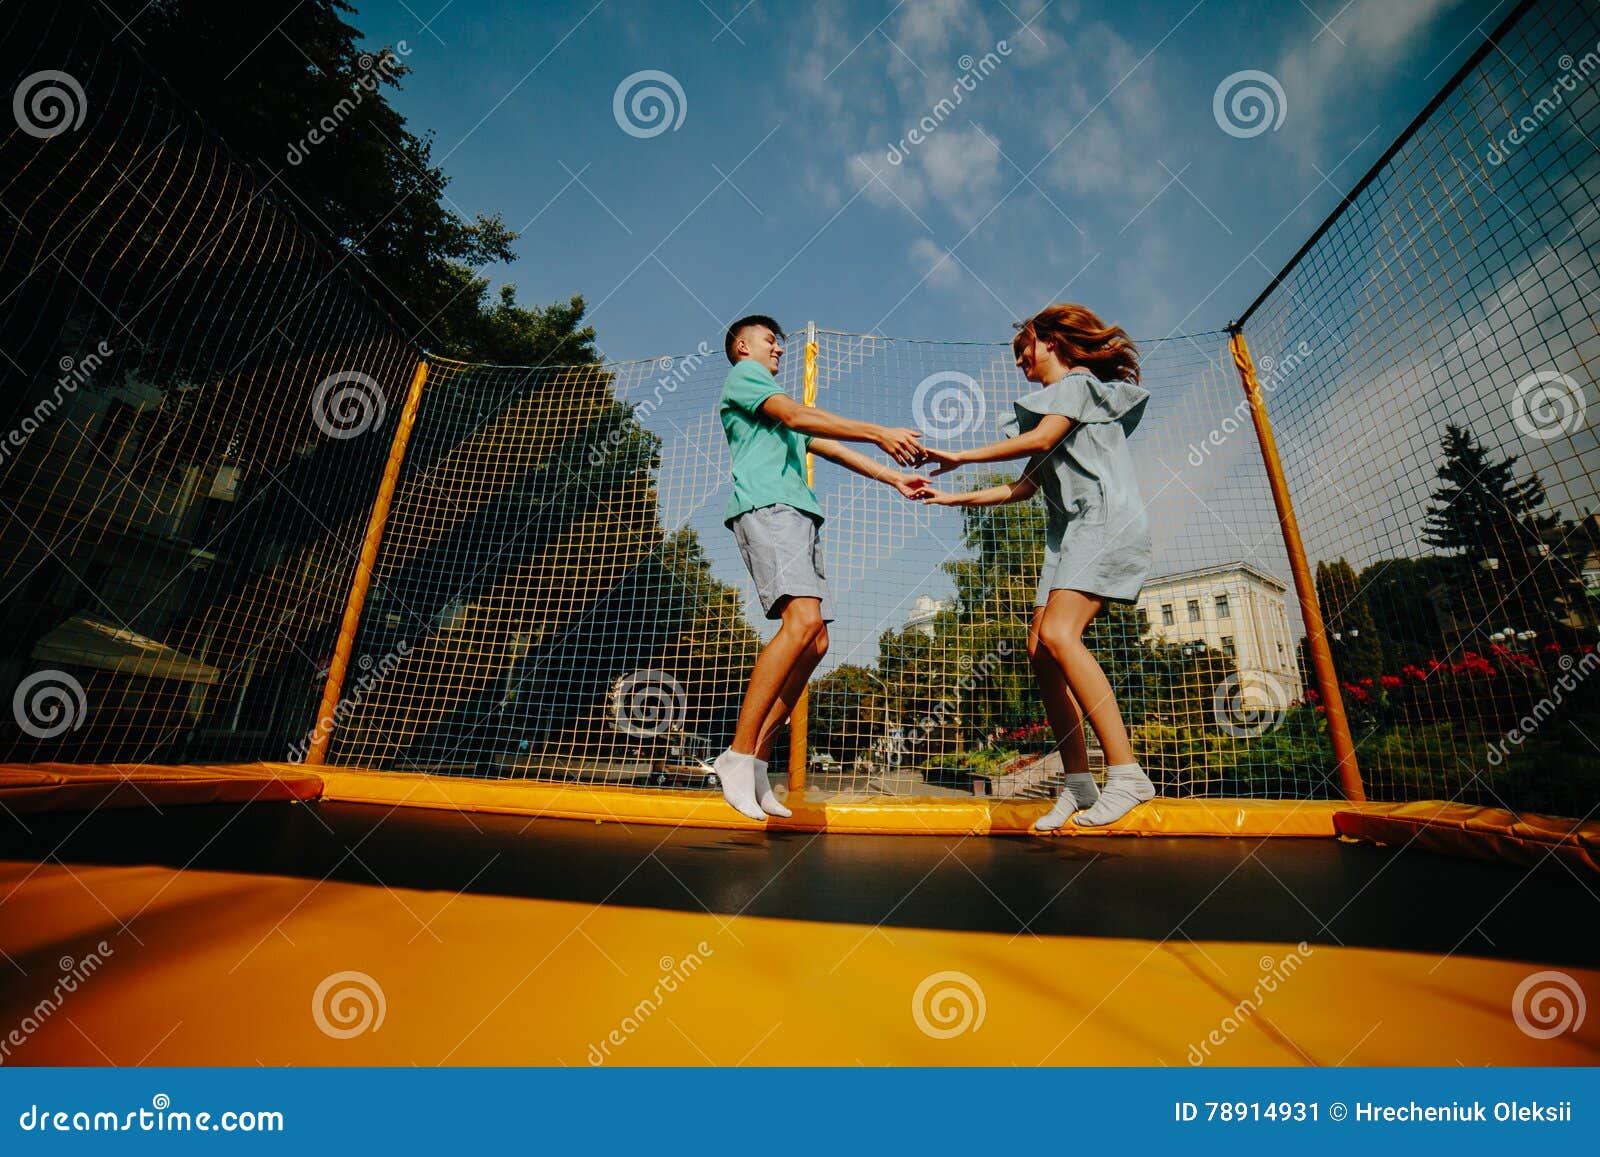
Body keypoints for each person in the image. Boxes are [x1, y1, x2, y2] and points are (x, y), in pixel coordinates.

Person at [915, 304, 1155, 829]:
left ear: (1050, 342)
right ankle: (1077, 783)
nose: (1020, 361)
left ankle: (1128, 773)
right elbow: (1023, 486)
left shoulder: (1076, 382)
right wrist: (950, 498)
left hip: (1104, 520)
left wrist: (961, 455)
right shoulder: (1059, 405)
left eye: (1024, 349)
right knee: (1040, 650)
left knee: (1063, 635)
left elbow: (1041, 440)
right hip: (1068, 536)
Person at [715, 314, 927, 820]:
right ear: (743, 346)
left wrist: (891, 478)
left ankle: (760, 763)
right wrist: (879, 431)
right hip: (767, 508)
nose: (779, 349)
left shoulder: (772, 406)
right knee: (802, 624)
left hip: (798, 513)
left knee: (817, 641)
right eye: (771, 341)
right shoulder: (746, 380)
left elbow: (825, 444)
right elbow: (797, 418)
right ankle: (737, 755)